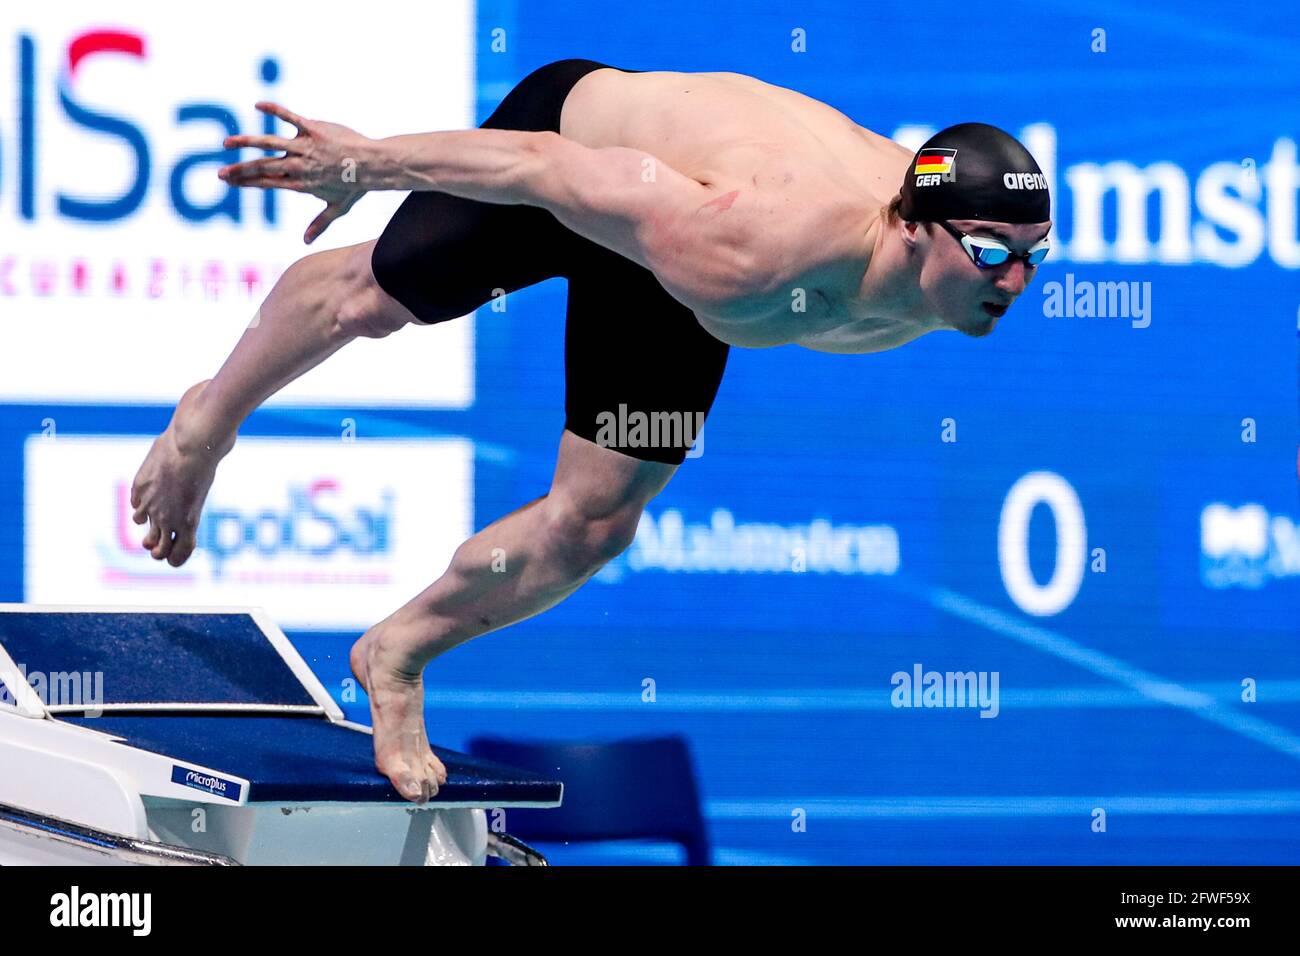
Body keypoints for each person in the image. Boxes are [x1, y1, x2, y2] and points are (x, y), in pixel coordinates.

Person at [130, 58, 1052, 802]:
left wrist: (993, 248)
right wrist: (367, 162)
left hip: (670, 258)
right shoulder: (757, 242)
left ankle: (397, 652)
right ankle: (202, 427)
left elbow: (979, 232)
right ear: (913, 228)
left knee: (596, 524)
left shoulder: (946, 253)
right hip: (582, 148)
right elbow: (542, 168)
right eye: (987, 253)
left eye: (1031, 257)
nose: (1012, 281)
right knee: (374, 294)